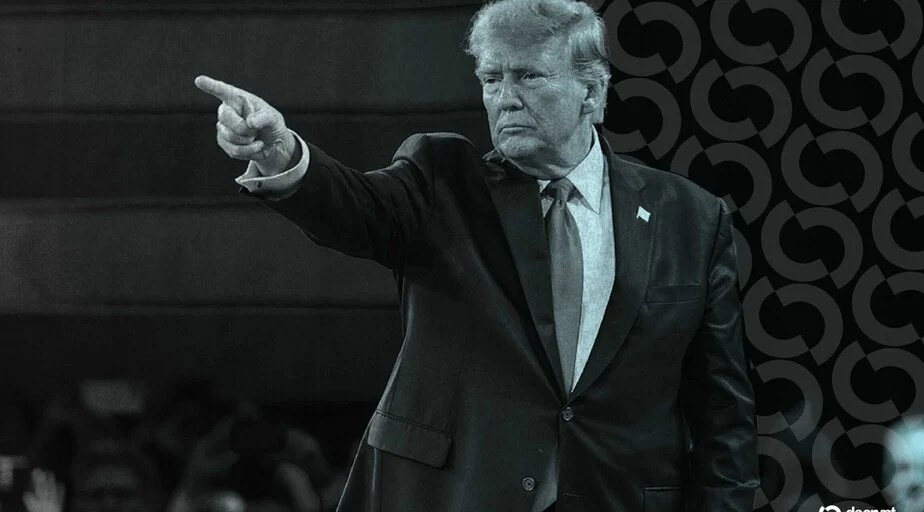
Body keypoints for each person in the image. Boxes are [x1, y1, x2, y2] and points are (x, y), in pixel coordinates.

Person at [194, 0, 758, 510]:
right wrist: (284, 154)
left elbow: (723, 414)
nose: (504, 98)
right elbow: (355, 206)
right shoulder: (442, 180)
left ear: (591, 93)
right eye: (492, 79)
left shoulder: (690, 217)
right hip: (458, 493)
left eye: (529, 76)